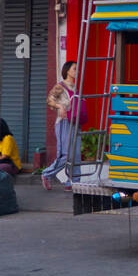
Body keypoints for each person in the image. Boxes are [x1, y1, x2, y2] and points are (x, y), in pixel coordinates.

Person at [43, 60, 79, 191]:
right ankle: (47, 174)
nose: (77, 71)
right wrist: (60, 106)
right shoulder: (60, 86)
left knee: (76, 154)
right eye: (74, 69)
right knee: (66, 154)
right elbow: (49, 100)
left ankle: (73, 182)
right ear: (67, 70)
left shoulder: (76, 87)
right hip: (63, 123)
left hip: (75, 122)